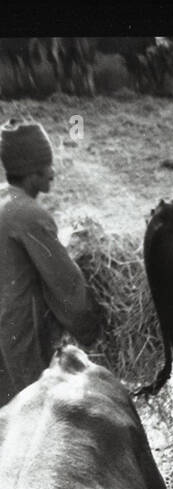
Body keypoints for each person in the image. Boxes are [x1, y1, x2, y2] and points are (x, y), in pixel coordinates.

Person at [0, 118, 100, 409]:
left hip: (4, 325)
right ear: (32, 173)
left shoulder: (6, 202)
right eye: (47, 166)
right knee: (32, 412)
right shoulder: (29, 215)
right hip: (21, 332)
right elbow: (64, 283)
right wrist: (89, 326)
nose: (53, 173)